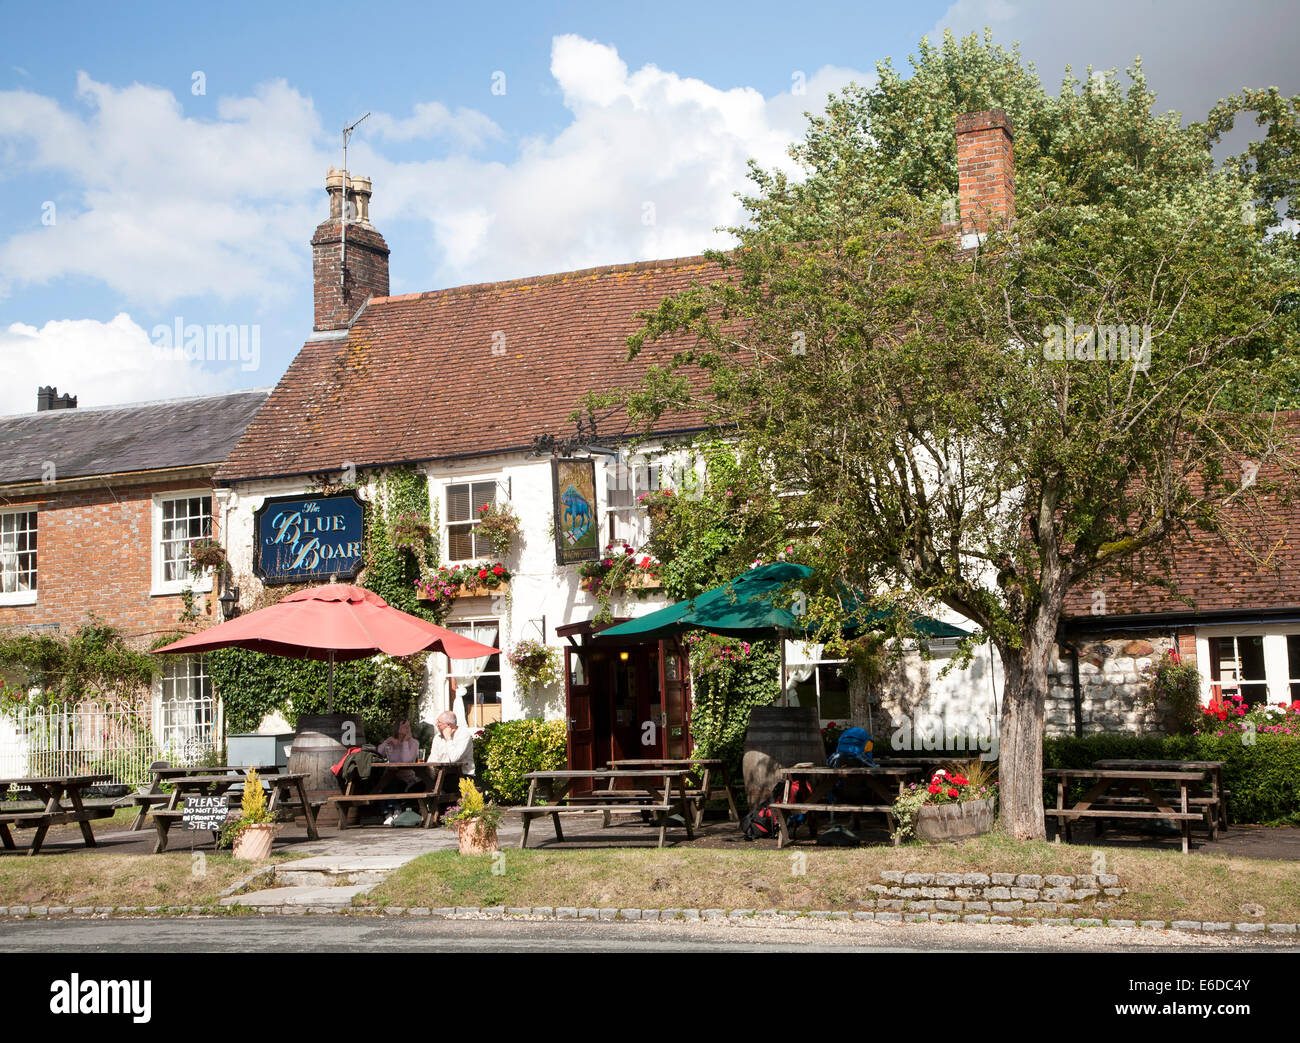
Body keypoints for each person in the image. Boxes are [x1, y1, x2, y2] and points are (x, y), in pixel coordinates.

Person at [377, 718, 420, 824]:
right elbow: (378, 753)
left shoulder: (413, 743)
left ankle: (391, 811)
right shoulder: (391, 742)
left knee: (389, 782)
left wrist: (405, 742)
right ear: (397, 728)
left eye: (408, 726)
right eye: (404, 726)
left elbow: (407, 761)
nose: (407, 729)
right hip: (391, 775)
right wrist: (387, 741)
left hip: (407, 778)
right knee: (384, 780)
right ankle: (391, 812)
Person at [427, 710, 475, 794]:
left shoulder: (464, 735)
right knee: (416, 788)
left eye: (439, 723)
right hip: (441, 775)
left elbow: (453, 758)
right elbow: (432, 759)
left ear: (448, 725)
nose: (436, 724)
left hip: (462, 776)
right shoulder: (437, 737)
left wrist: (448, 738)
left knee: (443, 788)